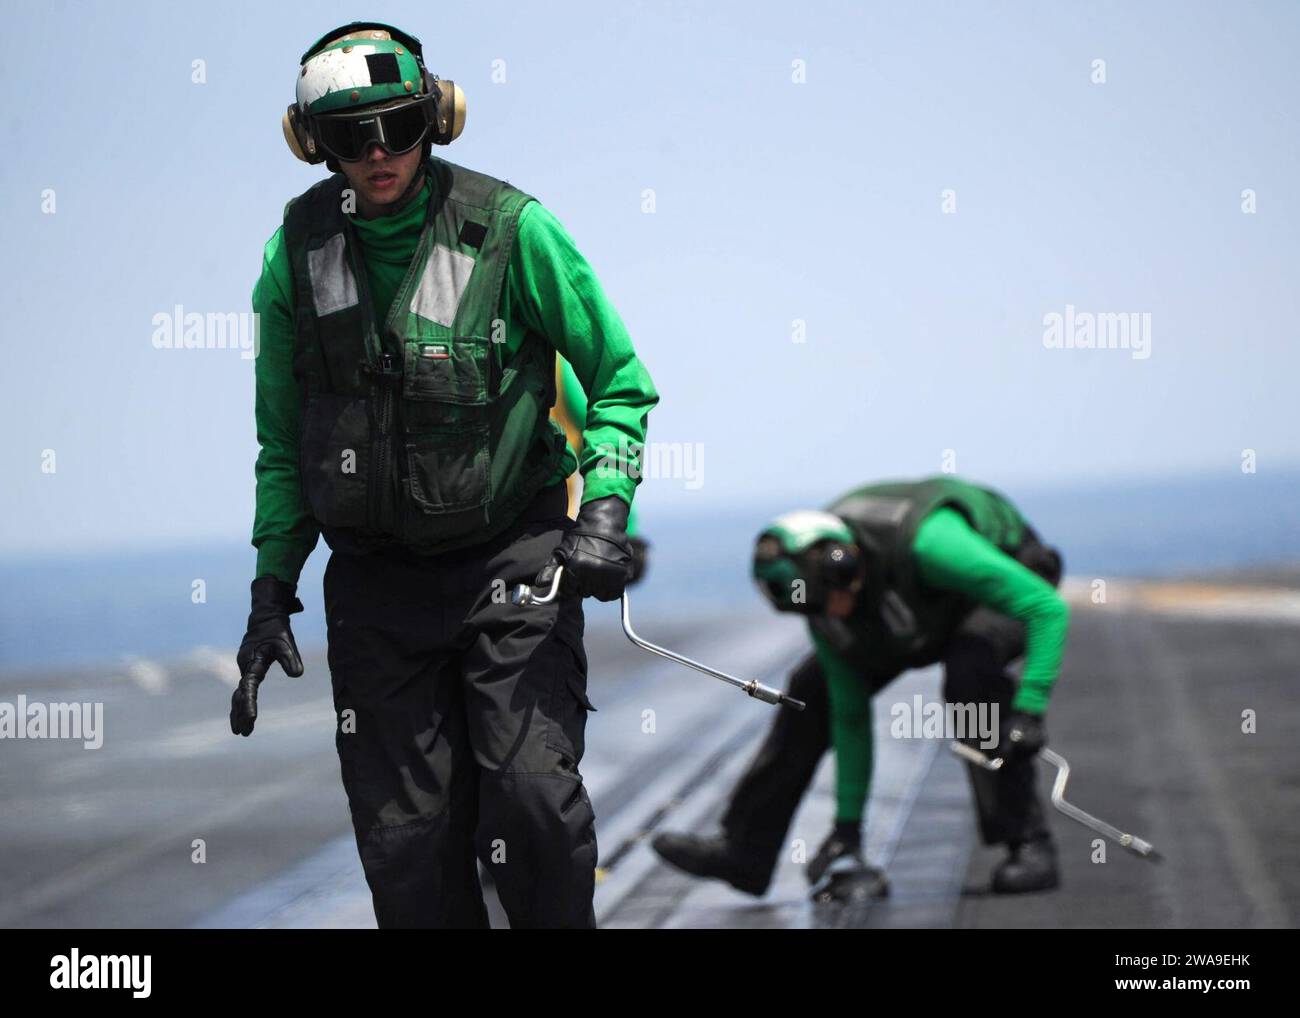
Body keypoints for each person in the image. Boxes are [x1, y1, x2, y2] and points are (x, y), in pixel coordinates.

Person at [230, 21, 658, 929]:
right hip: (379, 588)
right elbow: (283, 444)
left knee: (534, 803)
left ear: (438, 116)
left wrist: (606, 511)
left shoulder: (513, 232)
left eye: (398, 125)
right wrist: (272, 589)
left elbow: (619, 382)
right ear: (313, 145)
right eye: (351, 137)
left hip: (515, 557)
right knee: (408, 850)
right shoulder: (294, 260)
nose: (379, 153)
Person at [653, 477, 1069, 899]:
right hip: (915, 603)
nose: (834, 615)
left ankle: (1030, 845)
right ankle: (745, 852)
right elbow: (849, 716)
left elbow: (1045, 608)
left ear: (843, 563)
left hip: (1009, 576)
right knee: (810, 689)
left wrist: (1030, 709)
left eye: (831, 601)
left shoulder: (931, 543)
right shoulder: (829, 602)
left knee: (970, 668)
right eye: (818, 611)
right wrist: (847, 830)